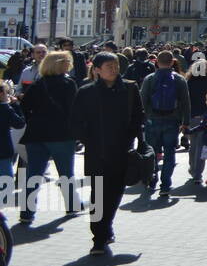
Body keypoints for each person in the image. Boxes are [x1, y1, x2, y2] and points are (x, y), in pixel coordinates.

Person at [70, 51, 145, 255]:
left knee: (114, 194)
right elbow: (75, 121)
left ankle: (107, 225)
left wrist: (129, 138)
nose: (114, 69)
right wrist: (89, 140)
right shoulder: (86, 92)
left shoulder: (130, 88)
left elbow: (139, 117)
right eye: (109, 66)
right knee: (97, 196)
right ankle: (98, 237)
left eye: (116, 65)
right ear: (96, 70)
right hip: (96, 153)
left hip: (121, 152)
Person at [18, 50, 82, 221]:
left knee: (34, 174)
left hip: (36, 134)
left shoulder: (38, 84)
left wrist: (35, 119)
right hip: (61, 134)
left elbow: (24, 107)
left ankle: (27, 212)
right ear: (62, 65)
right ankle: (72, 205)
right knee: (66, 173)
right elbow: (74, 110)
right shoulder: (68, 84)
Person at [140, 50, 190, 197]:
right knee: (169, 152)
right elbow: (185, 102)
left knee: (153, 152)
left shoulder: (150, 79)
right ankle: (166, 185)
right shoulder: (179, 79)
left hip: (152, 120)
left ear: (157, 62)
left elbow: (143, 101)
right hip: (172, 120)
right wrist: (185, 122)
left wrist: (144, 118)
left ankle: (152, 177)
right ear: (172, 62)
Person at [1, 80, 25, 190]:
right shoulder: (5, 109)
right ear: (1, 94)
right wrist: (15, 105)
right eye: (6, 93)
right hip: (3, 150)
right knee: (7, 185)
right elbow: (20, 123)